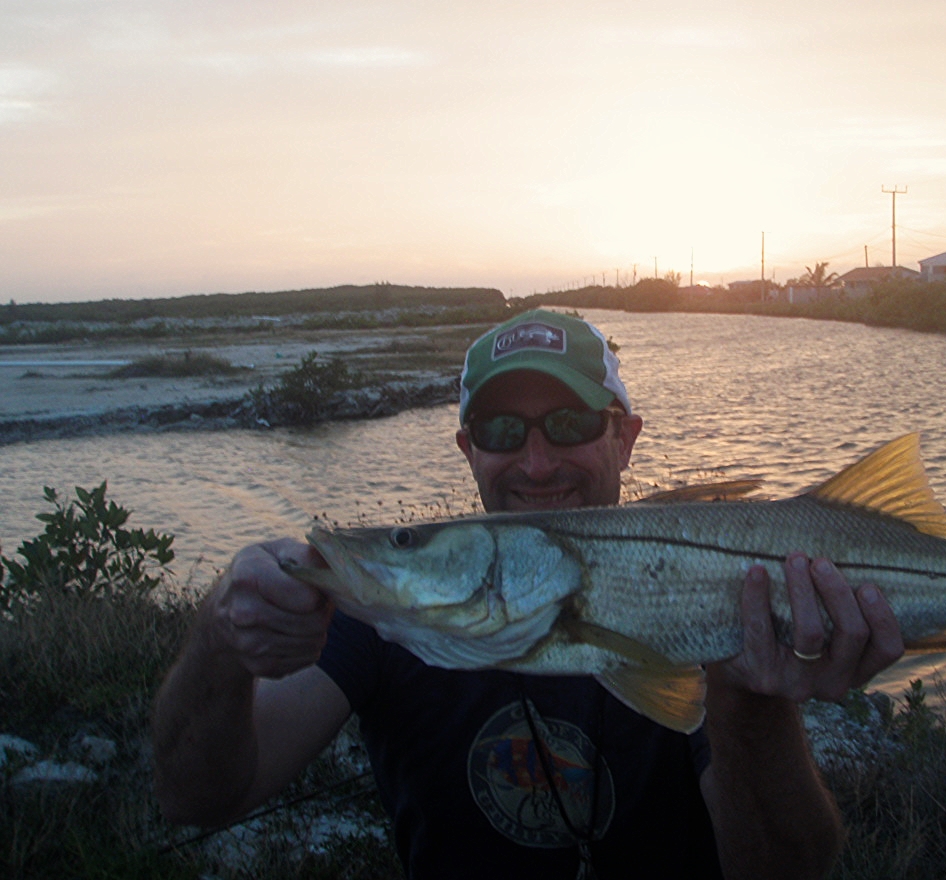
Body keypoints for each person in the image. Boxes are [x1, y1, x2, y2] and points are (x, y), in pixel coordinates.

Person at [153, 308, 905, 880]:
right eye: (502, 429)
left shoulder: (707, 596)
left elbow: (790, 870)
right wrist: (221, 645)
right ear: (467, 450)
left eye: (572, 422)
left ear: (626, 437)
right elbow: (198, 800)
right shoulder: (386, 620)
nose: (536, 462)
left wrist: (748, 699)